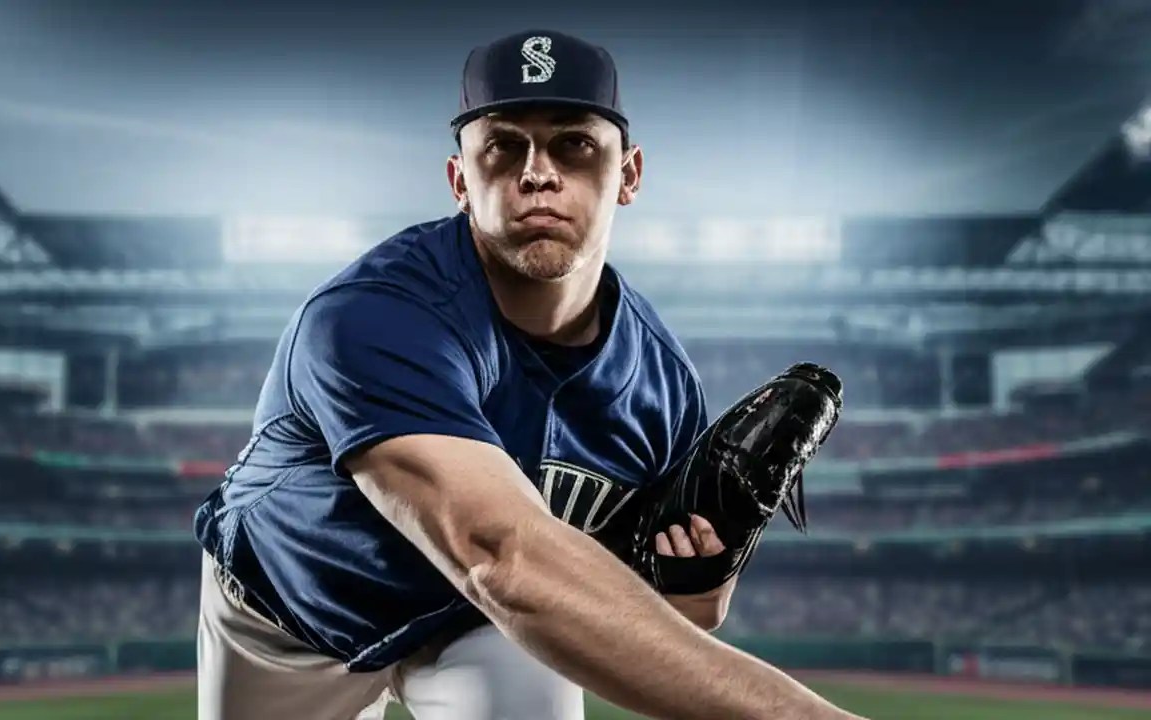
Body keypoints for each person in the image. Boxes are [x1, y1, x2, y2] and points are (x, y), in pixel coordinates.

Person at [193, 28, 866, 720]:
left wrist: (697, 573)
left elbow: (677, 614)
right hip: (289, 612)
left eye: (573, 144)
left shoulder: (660, 391)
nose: (537, 172)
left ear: (629, 175)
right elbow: (500, 556)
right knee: (528, 583)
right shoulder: (371, 317)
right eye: (504, 146)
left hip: (476, 619)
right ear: (461, 180)